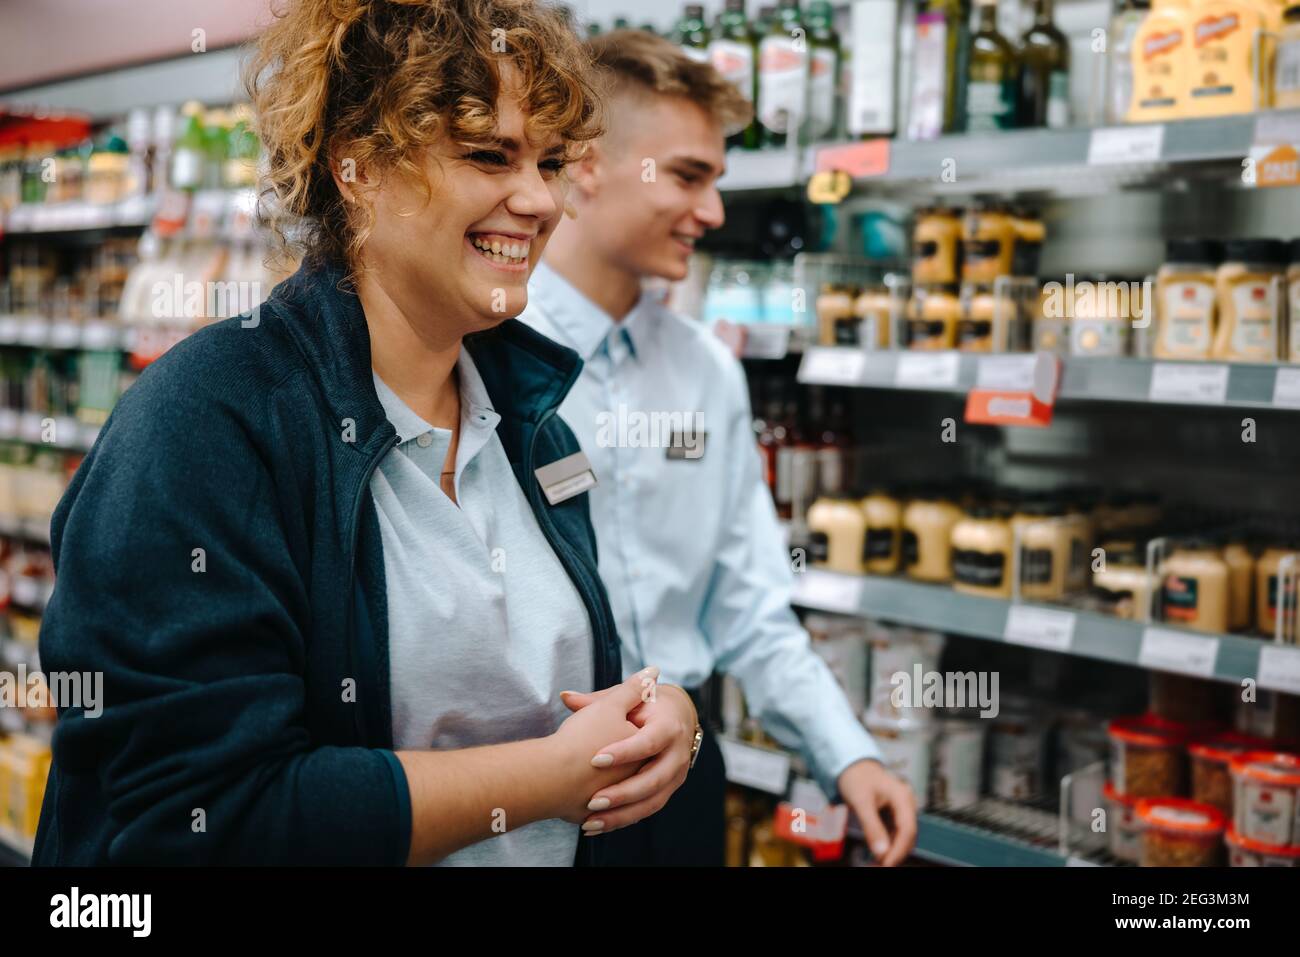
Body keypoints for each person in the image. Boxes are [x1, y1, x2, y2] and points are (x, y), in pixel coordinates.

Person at [33, 0, 699, 867]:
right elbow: (207, 816)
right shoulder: (207, 422)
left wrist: (662, 717)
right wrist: (544, 779)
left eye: (551, 161)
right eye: (487, 154)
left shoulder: (532, 423)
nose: (538, 200)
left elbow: (554, 679)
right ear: (357, 168)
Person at [520, 29, 919, 866]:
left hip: (683, 781)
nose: (714, 213)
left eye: (717, 180)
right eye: (688, 176)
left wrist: (846, 750)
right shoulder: (488, 354)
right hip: (530, 788)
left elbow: (748, 605)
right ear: (586, 165)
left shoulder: (707, 372)